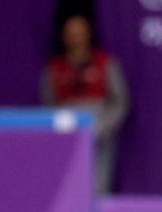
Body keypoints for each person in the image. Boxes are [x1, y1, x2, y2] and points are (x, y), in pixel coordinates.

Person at [41, 14, 130, 193]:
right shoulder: (54, 69)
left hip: (100, 139)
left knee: (98, 191)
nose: (75, 37)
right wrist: (62, 132)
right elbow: (48, 107)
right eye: (71, 33)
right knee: (68, 191)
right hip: (66, 141)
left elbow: (120, 101)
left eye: (79, 32)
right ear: (64, 36)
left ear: (88, 34)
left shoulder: (105, 63)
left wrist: (102, 128)